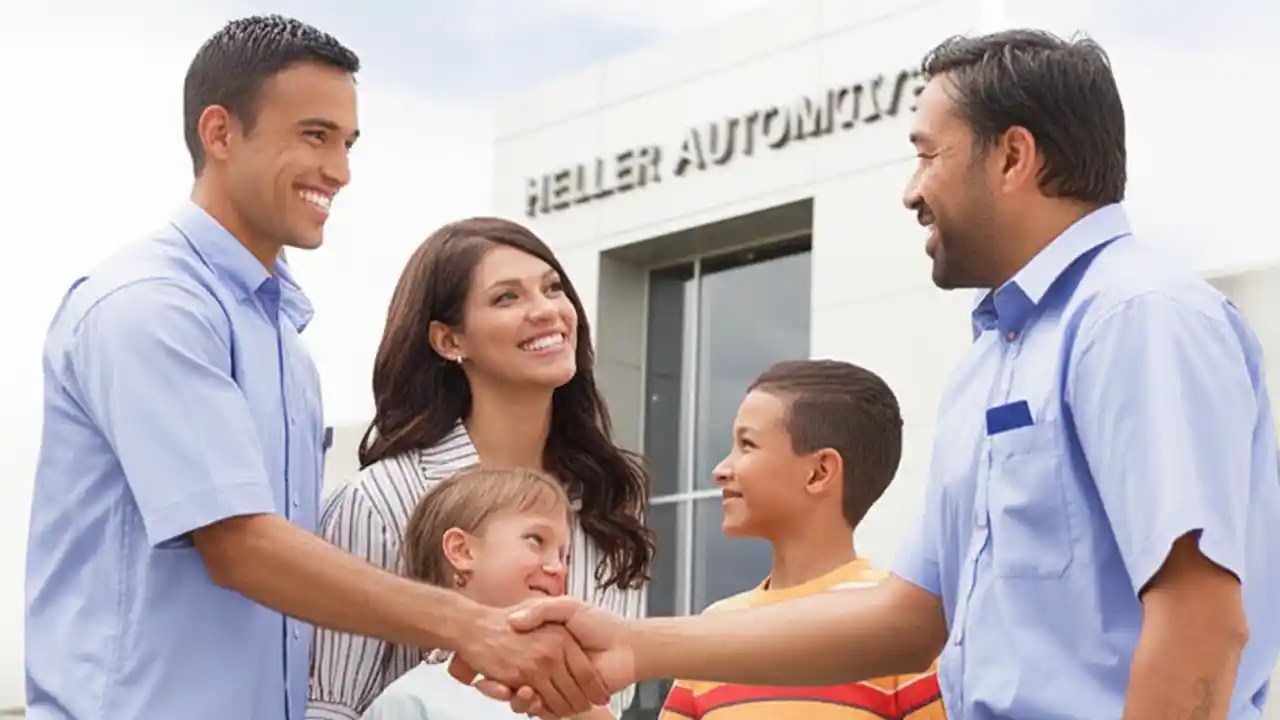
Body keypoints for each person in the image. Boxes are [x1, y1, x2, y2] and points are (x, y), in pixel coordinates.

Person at [479, 29, 1280, 720]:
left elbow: (1202, 617)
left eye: (928, 155)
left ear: (1013, 156)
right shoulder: (988, 365)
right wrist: (634, 645)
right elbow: (907, 616)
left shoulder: (1136, 318)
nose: (910, 191)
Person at [26, 16, 606, 720]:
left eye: (347, 142)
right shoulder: (150, 307)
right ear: (220, 133)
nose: (340, 170)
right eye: (314, 135)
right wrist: (470, 624)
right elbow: (241, 547)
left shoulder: (286, 348)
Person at [308, 217, 653, 719]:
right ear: (449, 341)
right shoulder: (381, 500)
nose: (547, 311)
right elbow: (333, 709)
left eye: (553, 288)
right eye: (507, 298)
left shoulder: (609, 497)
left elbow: (611, 700)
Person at [658, 360, 945, 720]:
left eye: (746, 445)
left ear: (819, 472)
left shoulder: (898, 629)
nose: (721, 470)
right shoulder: (713, 630)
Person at [361, 466, 614, 720]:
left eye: (564, 555)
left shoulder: (575, 703)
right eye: (536, 541)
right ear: (462, 551)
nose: (558, 568)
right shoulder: (409, 703)